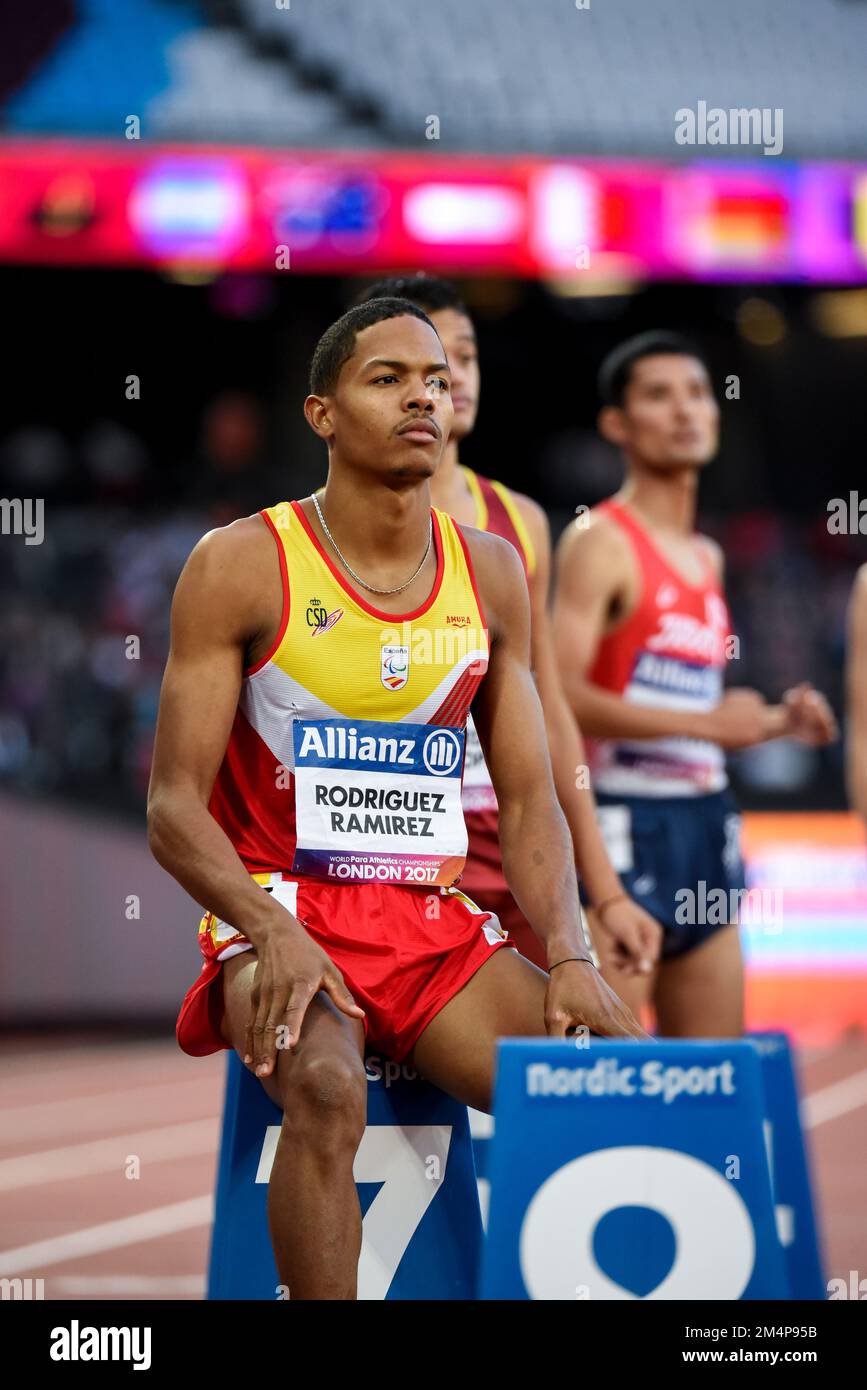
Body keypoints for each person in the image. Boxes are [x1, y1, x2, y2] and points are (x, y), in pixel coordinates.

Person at [147, 299, 645, 1300]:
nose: (424, 392)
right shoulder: (240, 562)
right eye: (388, 377)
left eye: (436, 377)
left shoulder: (494, 573)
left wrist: (571, 952)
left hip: (427, 920)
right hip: (279, 908)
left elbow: (529, 795)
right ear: (321, 413)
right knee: (328, 1090)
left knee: (610, 1083)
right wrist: (264, 929)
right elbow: (171, 806)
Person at [356, 274, 662, 984]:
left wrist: (603, 890)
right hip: (385, 850)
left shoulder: (520, 524)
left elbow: (548, 709)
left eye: (461, 358)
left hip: (507, 849)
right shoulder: (326, 530)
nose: (450, 378)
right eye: (414, 366)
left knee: (554, 1073)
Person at [553, 330, 837, 1036]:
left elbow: (679, 704)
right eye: (657, 395)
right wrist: (709, 723)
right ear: (617, 424)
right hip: (623, 824)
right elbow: (557, 695)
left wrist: (773, 721)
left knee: (709, 1080)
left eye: (696, 393)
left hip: (705, 824)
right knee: (603, 1082)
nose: (684, 411)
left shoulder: (705, 554)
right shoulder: (600, 542)